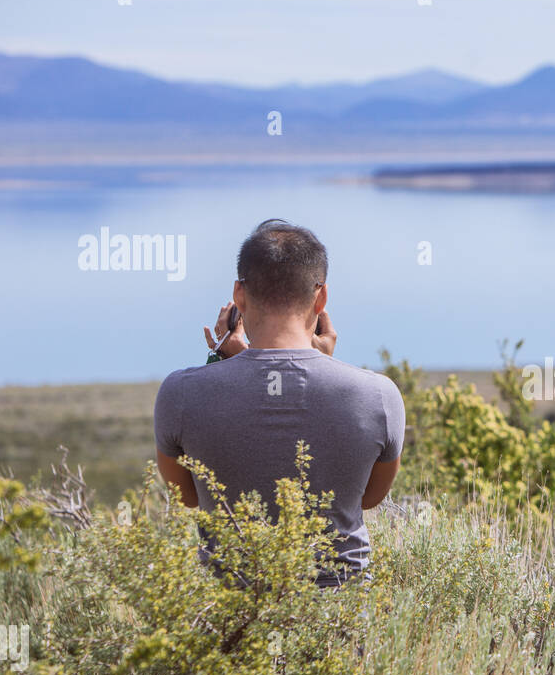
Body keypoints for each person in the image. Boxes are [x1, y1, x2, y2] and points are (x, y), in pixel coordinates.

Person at [154, 219, 405, 585]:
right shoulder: (378, 396)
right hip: (342, 620)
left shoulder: (180, 393)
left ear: (239, 296)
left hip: (231, 622)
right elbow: (367, 498)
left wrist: (228, 364)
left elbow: (188, 497)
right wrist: (325, 365)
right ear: (321, 299)